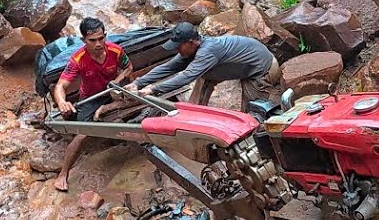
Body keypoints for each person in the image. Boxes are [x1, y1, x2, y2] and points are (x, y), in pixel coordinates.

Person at [52, 17, 132, 192]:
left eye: (101, 38)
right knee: (82, 135)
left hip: (113, 91)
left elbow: (128, 67)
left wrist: (117, 80)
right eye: (92, 40)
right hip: (91, 97)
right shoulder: (78, 59)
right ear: (83, 40)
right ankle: (63, 173)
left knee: (134, 102)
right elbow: (60, 86)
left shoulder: (116, 51)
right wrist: (62, 102)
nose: (98, 44)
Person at [128, 22, 280, 108]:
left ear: (191, 42)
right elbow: (168, 67)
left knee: (254, 115)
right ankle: (196, 115)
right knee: (202, 83)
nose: (176, 50)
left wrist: (153, 89)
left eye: (179, 46)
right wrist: (138, 83)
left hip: (262, 68)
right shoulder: (192, 50)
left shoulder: (208, 51)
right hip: (247, 64)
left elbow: (186, 76)